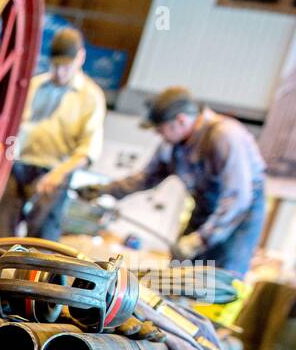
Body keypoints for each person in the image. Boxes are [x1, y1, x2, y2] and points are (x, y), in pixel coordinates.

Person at [81, 86, 266, 275]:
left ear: (180, 120)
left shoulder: (225, 136)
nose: (159, 135)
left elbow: (237, 197)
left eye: (161, 130)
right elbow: (146, 178)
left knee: (219, 278)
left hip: (239, 215)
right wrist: (105, 190)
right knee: (179, 272)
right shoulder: (173, 146)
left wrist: (200, 240)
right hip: (206, 208)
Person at [0, 27, 106, 241]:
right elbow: (10, 127)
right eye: (55, 65)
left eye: (66, 66)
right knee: (1, 236)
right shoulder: (35, 86)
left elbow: (87, 150)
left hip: (55, 173)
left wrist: (58, 173)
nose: (60, 72)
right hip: (17, 168)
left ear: (80, 58)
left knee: (43, 242)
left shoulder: (91, 97)